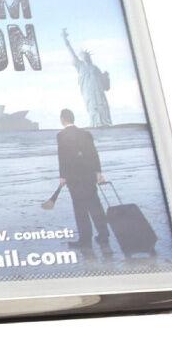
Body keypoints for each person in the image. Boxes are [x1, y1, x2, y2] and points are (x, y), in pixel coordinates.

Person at [56, 108, 110, 253]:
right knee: (95, 205)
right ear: (72, 118)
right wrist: (98, 172)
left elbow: (63, 158)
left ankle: (85, 240)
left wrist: (62, 176)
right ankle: (104, 236)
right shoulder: (86, 134)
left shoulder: (61, 135)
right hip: (89, 175)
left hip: (74, 178)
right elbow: (94, 154)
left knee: (80, 209)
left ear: (63, 119)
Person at [62, 29, 112, 127]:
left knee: (102, 105)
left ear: (89, 57)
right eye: (84, 56)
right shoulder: (79, 65)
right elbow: (72, 54)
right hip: (88, 92)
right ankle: (95, 123)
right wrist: (66, 41)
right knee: (92, 106)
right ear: (81, 57)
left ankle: (105, 122)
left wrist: (106, 77)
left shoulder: (95, 68)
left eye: (87, 56)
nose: (86, 57)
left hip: (99, 92)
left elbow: (106, 87)